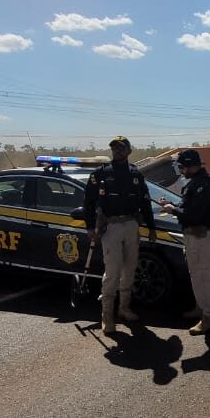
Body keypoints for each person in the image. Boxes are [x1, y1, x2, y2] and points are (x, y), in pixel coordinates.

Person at [83, 136, 156, 334]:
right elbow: (88, 202)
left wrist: (151, 227)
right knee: (113, 272)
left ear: (129, 151)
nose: (117, 151)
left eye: (122, 148)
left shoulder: (136, 174)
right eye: (115, 148)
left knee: (130, 269)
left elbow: (146, 202)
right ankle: (107, 316)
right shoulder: (100, 174)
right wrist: (90, 227)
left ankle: (124, 308)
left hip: (132, 225)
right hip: (111, 227)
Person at [160, 149, 210, 335]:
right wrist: (171, 205)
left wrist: (173, 211)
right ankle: (200, 307)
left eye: (182, 167)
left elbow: (194, 214)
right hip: (192, 236)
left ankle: (208, 317)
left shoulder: (203, 185)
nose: (180, 171)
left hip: (200, 235)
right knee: (196, 275)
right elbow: (187, 207)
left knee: (205, 276)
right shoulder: (194, 184)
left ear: (190, 165)